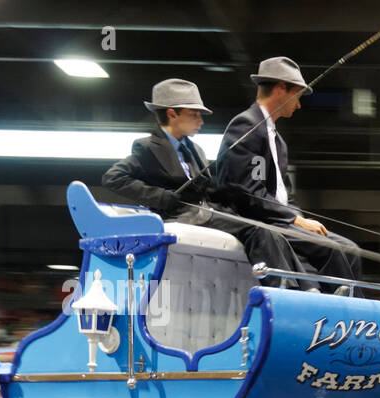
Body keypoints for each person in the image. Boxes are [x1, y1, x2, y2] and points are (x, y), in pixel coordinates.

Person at [101, 79, 307, 288]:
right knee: (259, 232)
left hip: (208, 211)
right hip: (181, 215)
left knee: (268, 229)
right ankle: (280, 287)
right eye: (194, 114)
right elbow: (113, 178)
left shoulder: (196, 150)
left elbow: (207, 188)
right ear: (172, 114)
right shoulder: (147, 147)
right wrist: (160, 196)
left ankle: (306, 286)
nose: (200, 121)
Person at [216, 57, 362, 288]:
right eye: (298, 95)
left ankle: (346, 307)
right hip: (263, 220)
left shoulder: (277, 140)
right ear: (280, 88)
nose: (299, 104)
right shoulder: (246, 125)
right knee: (334, 250)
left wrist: (298, 218)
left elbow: (285, 193)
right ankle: (336, 310)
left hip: (282, 219)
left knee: (350, 250)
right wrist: (295, 219)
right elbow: (246, 188)